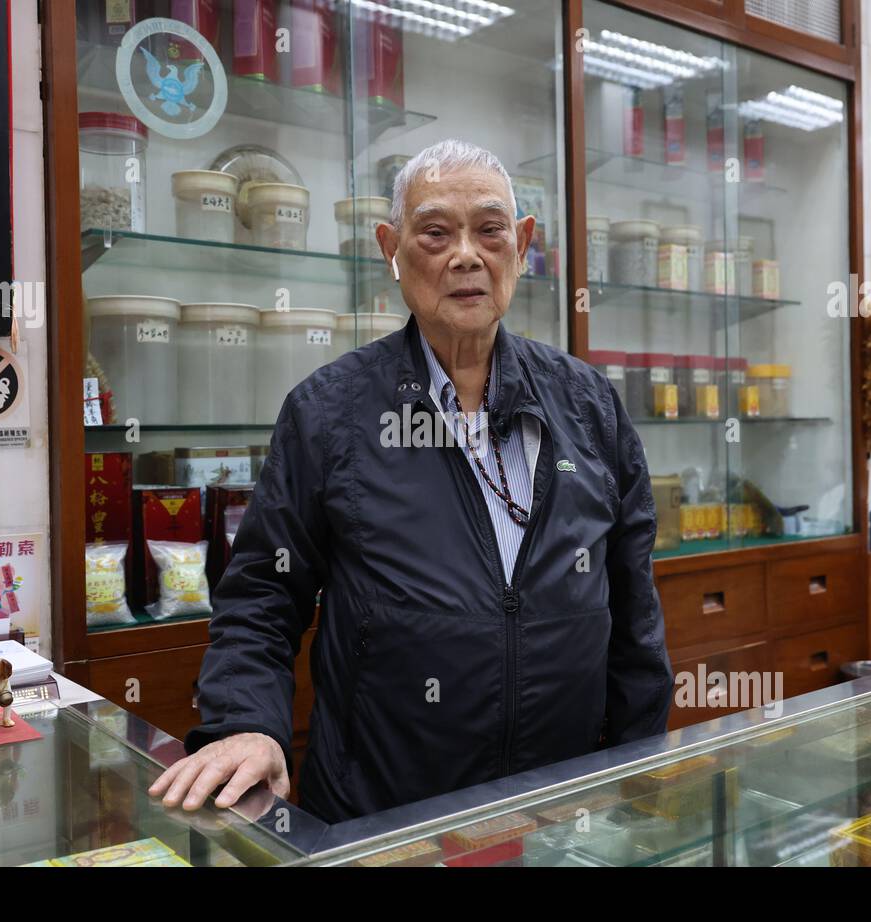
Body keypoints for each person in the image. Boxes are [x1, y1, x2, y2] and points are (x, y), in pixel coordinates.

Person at [150, 139, 672, 822]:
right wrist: (245, 723)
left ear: (521, 244)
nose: (465, 255)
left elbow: (635, 618)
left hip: (557, 816)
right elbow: (262, 597)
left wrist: (637, 786)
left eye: (489, 230)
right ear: (391, 249)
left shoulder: (588, 406)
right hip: (385, 818)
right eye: (434, 232)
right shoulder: (329, 413)